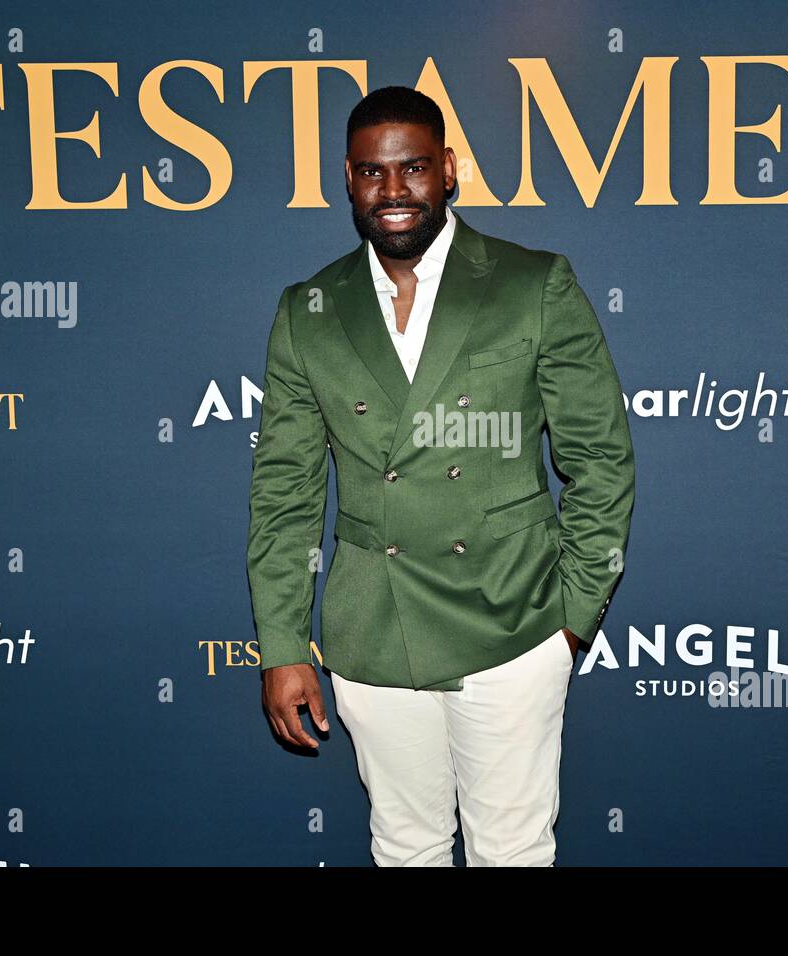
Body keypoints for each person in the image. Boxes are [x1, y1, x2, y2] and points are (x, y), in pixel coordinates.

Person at [246, 86, 635, 866]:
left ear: (448, 171)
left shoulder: (534, 283)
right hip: (374, 633)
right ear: (348, 180)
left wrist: (572, 620)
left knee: (512, 852)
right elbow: (286, 491)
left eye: (413, 168)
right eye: (371, 173)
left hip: (515, 625)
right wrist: (284, 641)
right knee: (406, 848)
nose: (393, 192)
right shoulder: (309, 309)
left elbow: (600, 458)